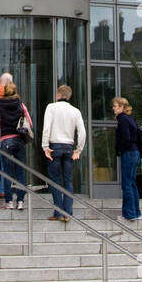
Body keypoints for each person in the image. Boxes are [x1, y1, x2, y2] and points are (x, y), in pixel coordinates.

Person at [42, 85, 86, 221]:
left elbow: (46, 128)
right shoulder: (75, 111)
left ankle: (59, 212)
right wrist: (78, 150)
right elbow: (82, 132)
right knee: (68, 181)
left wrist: (45, 146)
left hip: (54, 146)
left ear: (58, 95)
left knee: (55, 180)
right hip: (68, 147)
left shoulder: (51, 107)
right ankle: (68, 212)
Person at [0, 79, 32, 210]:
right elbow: (30, 123)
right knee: (20, 171)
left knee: (7, 172)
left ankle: (9, 201)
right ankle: (21, 201)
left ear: (5, 92)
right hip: (19, 140)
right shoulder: (21, 105)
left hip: (6, 140)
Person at [113, 97, 142, 222]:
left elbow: (126, 138)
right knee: (132, 183)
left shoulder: (123, 120)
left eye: (115, 106)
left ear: (121, 107)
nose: (113, 108)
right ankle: (136, 212)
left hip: (129, 153)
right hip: (135, 153)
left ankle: (129, 214)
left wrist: (119, 149)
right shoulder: (130, 119)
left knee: (127, 184)